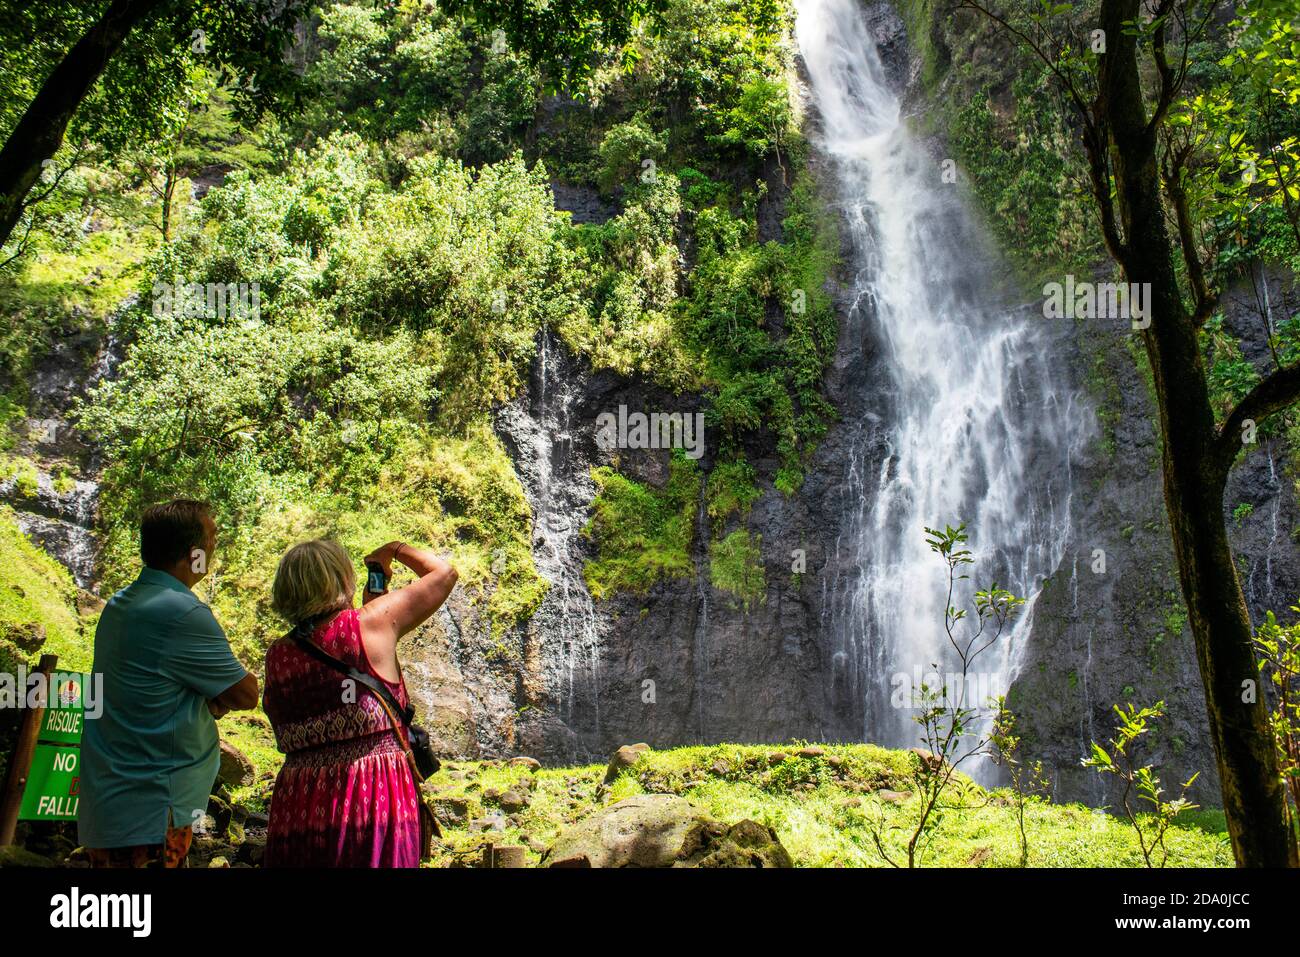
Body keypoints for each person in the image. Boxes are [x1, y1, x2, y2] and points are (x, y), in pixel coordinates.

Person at [79, 499, 259, 868]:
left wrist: (200, 697)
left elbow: (149, 688)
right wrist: (212, 697)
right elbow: (245, 694)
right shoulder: (183, 612)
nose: (213, 549)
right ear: (194, 554)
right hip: (153, 810)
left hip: (112, 803)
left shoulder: (120, 604)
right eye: (212, 540)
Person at [262, 538, 457, 867]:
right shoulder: (368, 623)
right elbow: (444, 573)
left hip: (298, 802)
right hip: (369, 794)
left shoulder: (278, 654)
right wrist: (395, 549)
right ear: (340, 579)